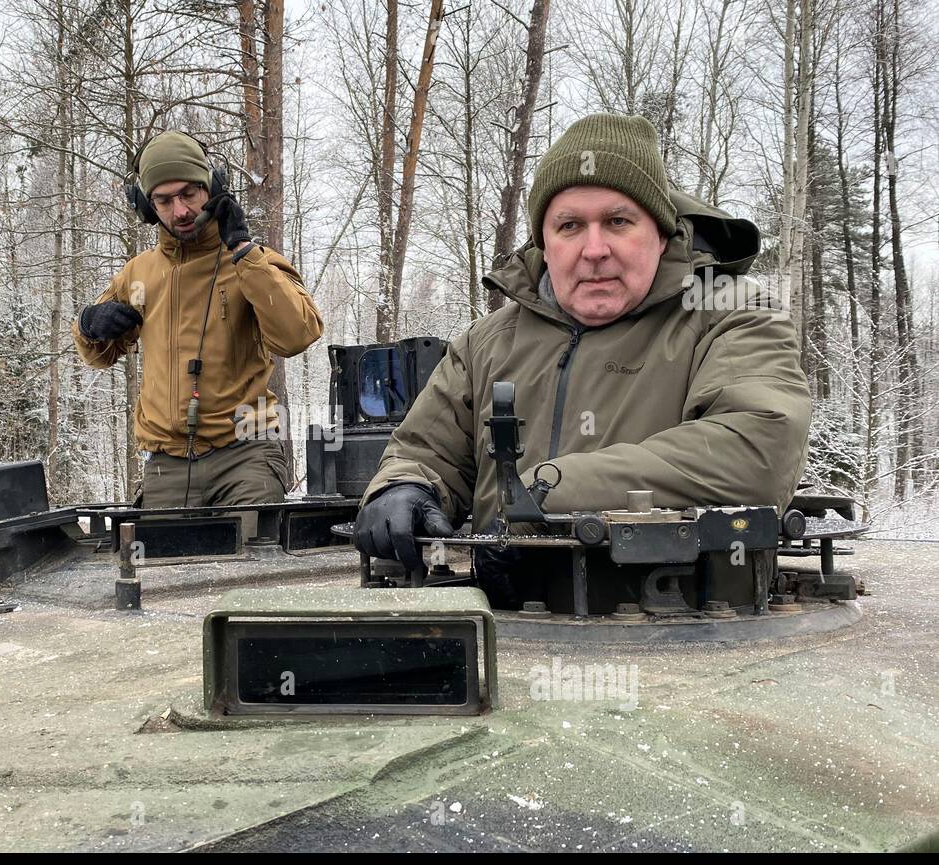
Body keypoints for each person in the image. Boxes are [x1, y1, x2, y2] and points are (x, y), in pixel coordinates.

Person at [353, 113, 812, 574]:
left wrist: (544, 494)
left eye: (617, 221)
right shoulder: (485, 343)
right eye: (569, 226)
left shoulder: (732, 311)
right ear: (544, 244)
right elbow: (424, 452)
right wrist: (403, 488)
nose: (594, 249)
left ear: (660, 231)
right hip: (507, 624)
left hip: (692, 628)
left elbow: (756, 452)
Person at [75, 130, 323, 509]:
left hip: (247, 456)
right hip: (166, 465)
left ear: (212, 187)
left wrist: (244, 252)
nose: (180, 210)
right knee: (160, 567)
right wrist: (88, 325)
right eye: (164, 200)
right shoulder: (137, 274)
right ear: (146, 205)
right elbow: (98, 356)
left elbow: (298, 335)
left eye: (189, 193)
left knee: (253, 563)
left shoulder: (255, 260)